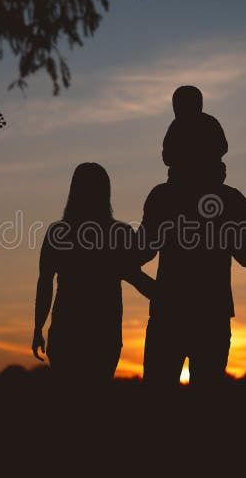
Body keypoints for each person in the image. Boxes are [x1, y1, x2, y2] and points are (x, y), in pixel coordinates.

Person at [139, 88, 246, 386]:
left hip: (180, 316)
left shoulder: (164, 197)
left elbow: (140, 252)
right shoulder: (230, 200)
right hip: (209, 316)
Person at [32, 162, 154, 383]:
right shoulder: (118, 233)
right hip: (104, 331)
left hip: (66, 330)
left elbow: (45, 282)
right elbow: (135, 275)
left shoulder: (58, 233)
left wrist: (38, 327)